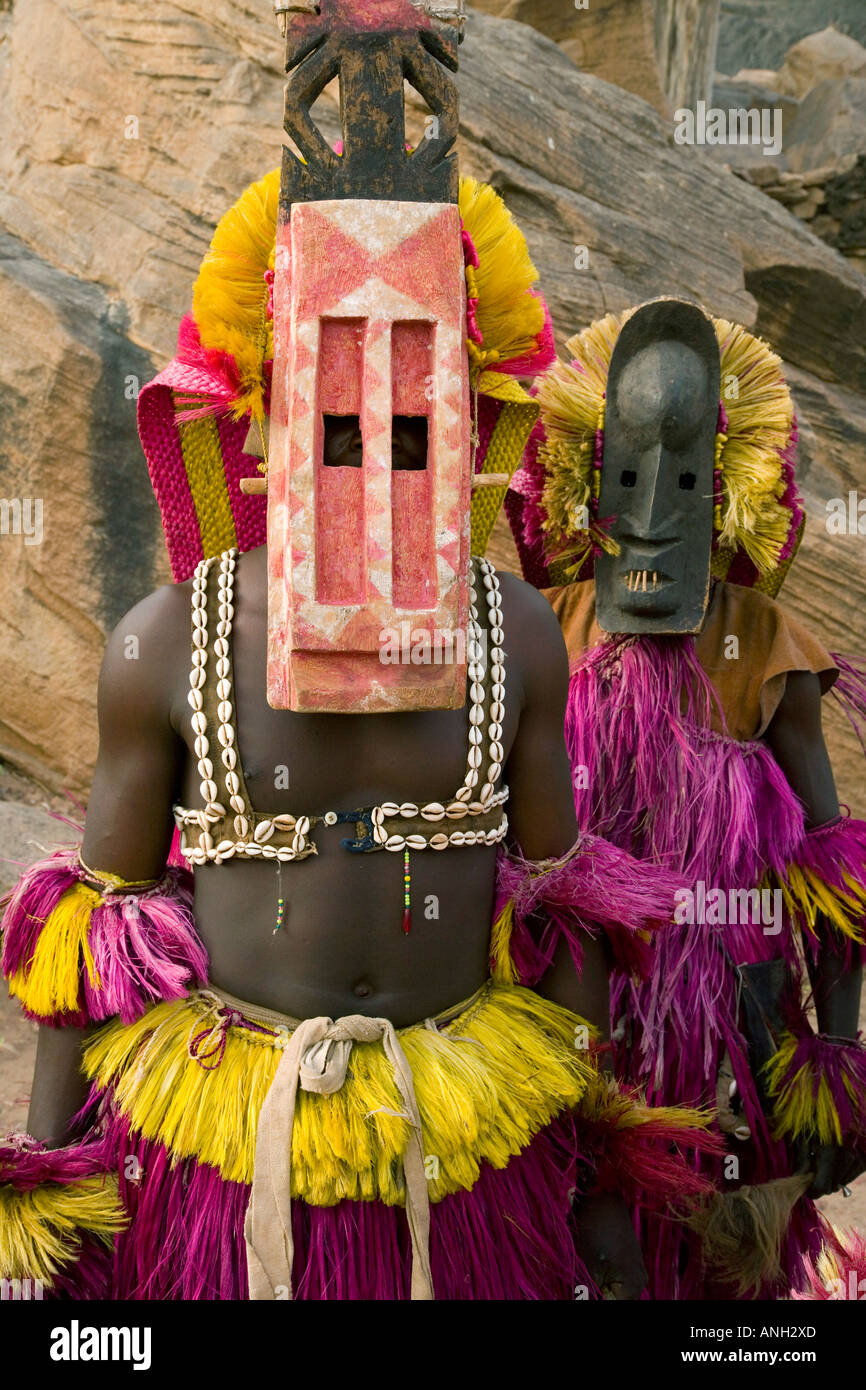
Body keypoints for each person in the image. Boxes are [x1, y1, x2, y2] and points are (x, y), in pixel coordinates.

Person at [0, 145, 715, 1296]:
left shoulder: (518, 632)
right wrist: (49, 1194)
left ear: (468, 417)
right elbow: (99, 937)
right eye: (336, 422)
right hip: (221, 1153)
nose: (373, 465)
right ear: (264, 408)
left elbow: (562, 914)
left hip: (464, 1139)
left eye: (413, 423)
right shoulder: (165, 640)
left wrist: (591, 1176)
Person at [507, 297, 866, 1298]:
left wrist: (830, 1060)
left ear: (727, 487)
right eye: (629, 474)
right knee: (574, 1250)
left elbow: (829, 875)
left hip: (733, 1033)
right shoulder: (545, 627)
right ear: (587, 479)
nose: (657, 506)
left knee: (719, 1273)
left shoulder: (765, 643)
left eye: (685, 479)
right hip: (567, 1021)